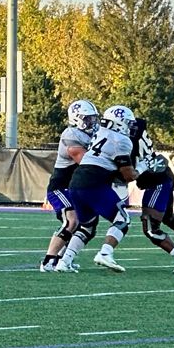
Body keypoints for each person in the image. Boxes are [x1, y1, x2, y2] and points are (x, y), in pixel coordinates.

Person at [54, 104, 140, 273]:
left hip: (76, 182)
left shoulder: (100, 133)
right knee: (122, 218)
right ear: (119, 123)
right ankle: (106, 253)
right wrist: (142, 168)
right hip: (93, 183)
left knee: (87, 226)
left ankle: (64, 261)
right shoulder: (122, 141)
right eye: (128, 123)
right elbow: (128, 176)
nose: (130, 127)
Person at [130, 118, 174, 274]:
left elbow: (128, 173)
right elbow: (141, 122)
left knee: (150, 228)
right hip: (164, 175)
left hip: (157, 181)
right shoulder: (137, 127)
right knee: (168, 216)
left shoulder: (126, 142)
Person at [40, 100, 98, 272]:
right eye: (88, 119)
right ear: (76, 119)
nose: (92, 123)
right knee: (72, 221)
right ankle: (48, 261)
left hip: (75, 188)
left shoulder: (89, 135)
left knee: (87, 225)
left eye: (94, 119)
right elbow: (86, 162)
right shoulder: (71, 135)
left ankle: (62, 259)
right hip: (60, 188)